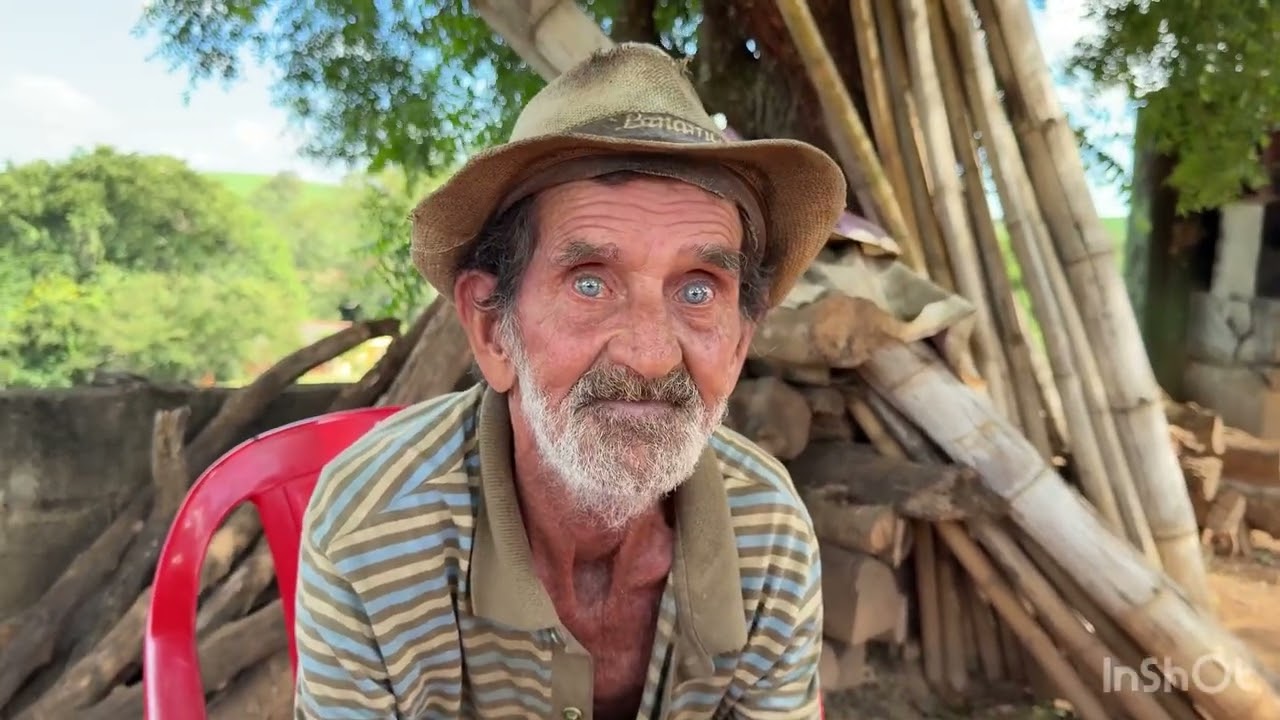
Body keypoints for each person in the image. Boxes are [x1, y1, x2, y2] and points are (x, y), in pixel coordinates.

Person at [293, 42, 846, 720]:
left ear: (737, 346)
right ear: (493, 330)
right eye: (589, 283)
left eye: (699, 290)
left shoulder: (769, 530)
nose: (650, 355)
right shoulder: (371, 533)